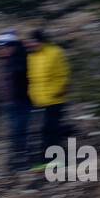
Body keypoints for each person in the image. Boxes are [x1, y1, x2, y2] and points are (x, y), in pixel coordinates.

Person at [25, 28, 70, 169]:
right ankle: (48, 160)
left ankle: (56, 160)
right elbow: (32, 78)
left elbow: (63, 75)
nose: (31, 44)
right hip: (39, 100)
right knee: (45, 131)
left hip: (55, 99)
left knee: (51, 130)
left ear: (41, 41)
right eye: (30, 42)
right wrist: (32, 94)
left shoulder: (55, 52)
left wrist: (56, 91)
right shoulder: (31, 56)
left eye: (34, 41)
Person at [0, 30, 32, 172]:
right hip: (10, 102)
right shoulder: (6, 61)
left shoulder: (20, 60)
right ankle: (16, 160)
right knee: (15, 132)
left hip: (21, 101)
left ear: (9, 46)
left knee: (20, 131)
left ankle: (23, 160)